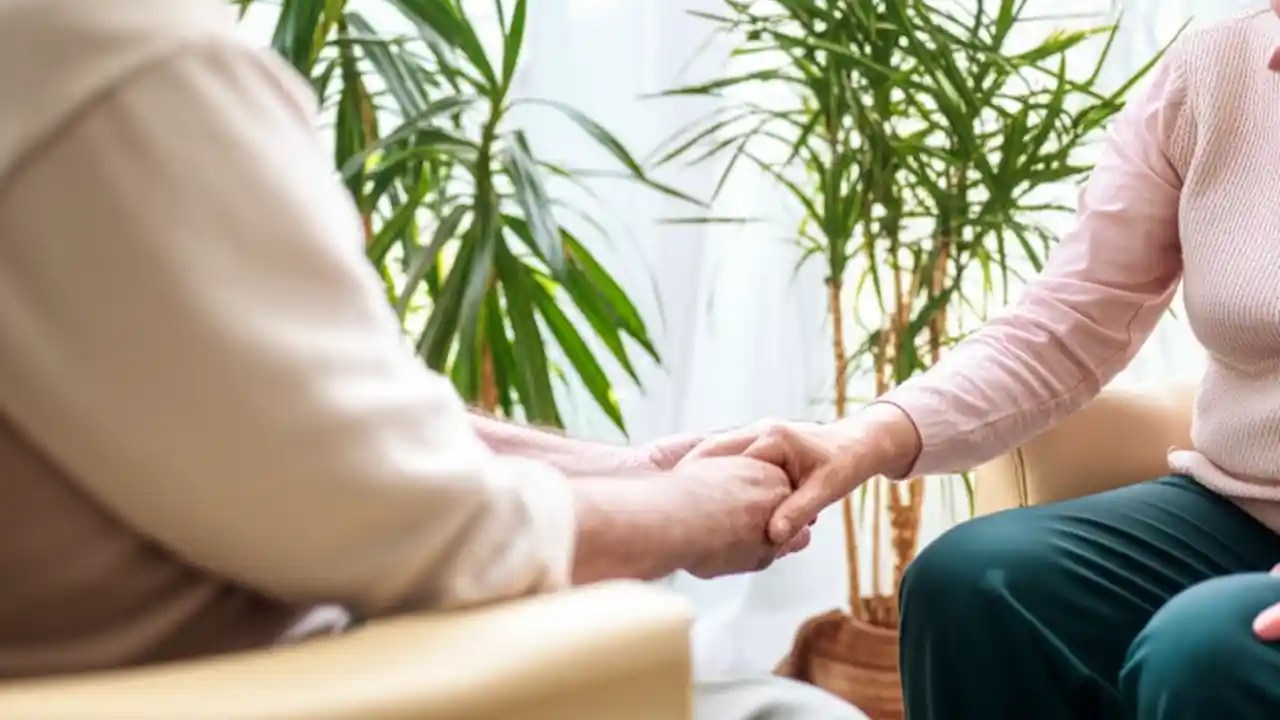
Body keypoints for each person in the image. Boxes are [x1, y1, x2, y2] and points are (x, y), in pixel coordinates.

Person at [0, 1, 864, 717]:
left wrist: (631, 470)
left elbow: (282, 422)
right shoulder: (125, 62)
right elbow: (411, 528)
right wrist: (692, 512)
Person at [686, 6, 1280, 720]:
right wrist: (860, 439)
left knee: (1208, 654)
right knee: (971, 584)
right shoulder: (1214, 71)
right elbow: (1067, 322)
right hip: (1243, 508)